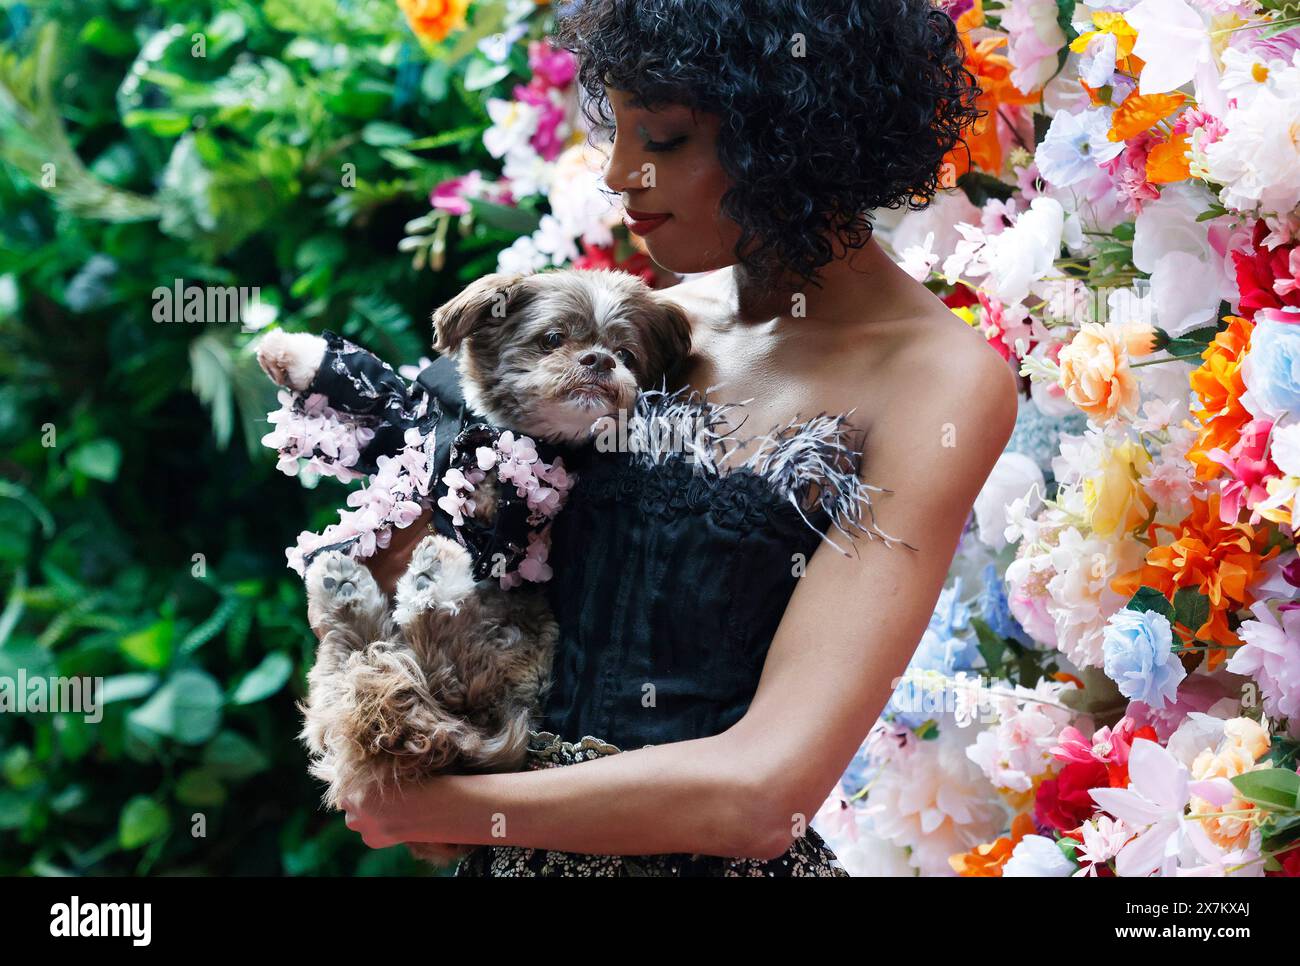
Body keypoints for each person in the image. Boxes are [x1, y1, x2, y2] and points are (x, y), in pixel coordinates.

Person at [337, 0, 1019, 875]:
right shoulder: (647, 332)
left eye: (661, 139)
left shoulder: (938, 380)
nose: (619, 174)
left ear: (789, 135)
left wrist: (451, 809)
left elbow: (761, 795)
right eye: (613, 130)